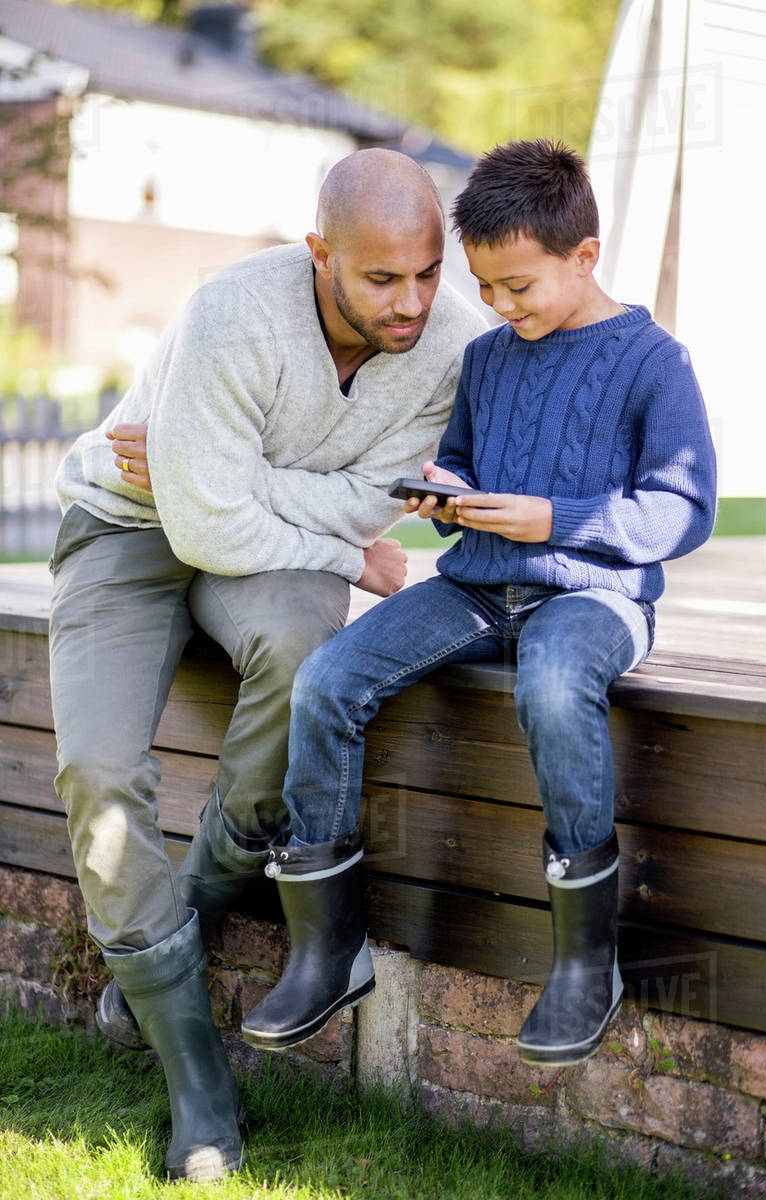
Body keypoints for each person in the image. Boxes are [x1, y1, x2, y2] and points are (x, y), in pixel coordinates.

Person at [48, 148, 485, 1181]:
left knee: (304, 654)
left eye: (427, 272)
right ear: (318, 254)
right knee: (98, 777)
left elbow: (376, 497)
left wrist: (244, 482)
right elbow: (204, 524)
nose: (411, 302)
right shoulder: (233, 312)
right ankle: (196, 1069)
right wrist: (336, 542)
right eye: (382, 278)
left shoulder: (450, 345)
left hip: (260, 545)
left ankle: (186, 920)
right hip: (124, 525)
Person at [239, 139, 717, 1067]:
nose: (497, 308)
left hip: (595, 597)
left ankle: (586, 962)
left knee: (550, 686)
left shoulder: (656, 362)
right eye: (485, 287)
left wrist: (557, 519)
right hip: (474, 585)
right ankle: (328, 947)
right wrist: (440, 489)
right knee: (328, 678)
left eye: (518, 287)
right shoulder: (491, 357)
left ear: (583, 256)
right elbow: (461, 455)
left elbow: (683, 508)